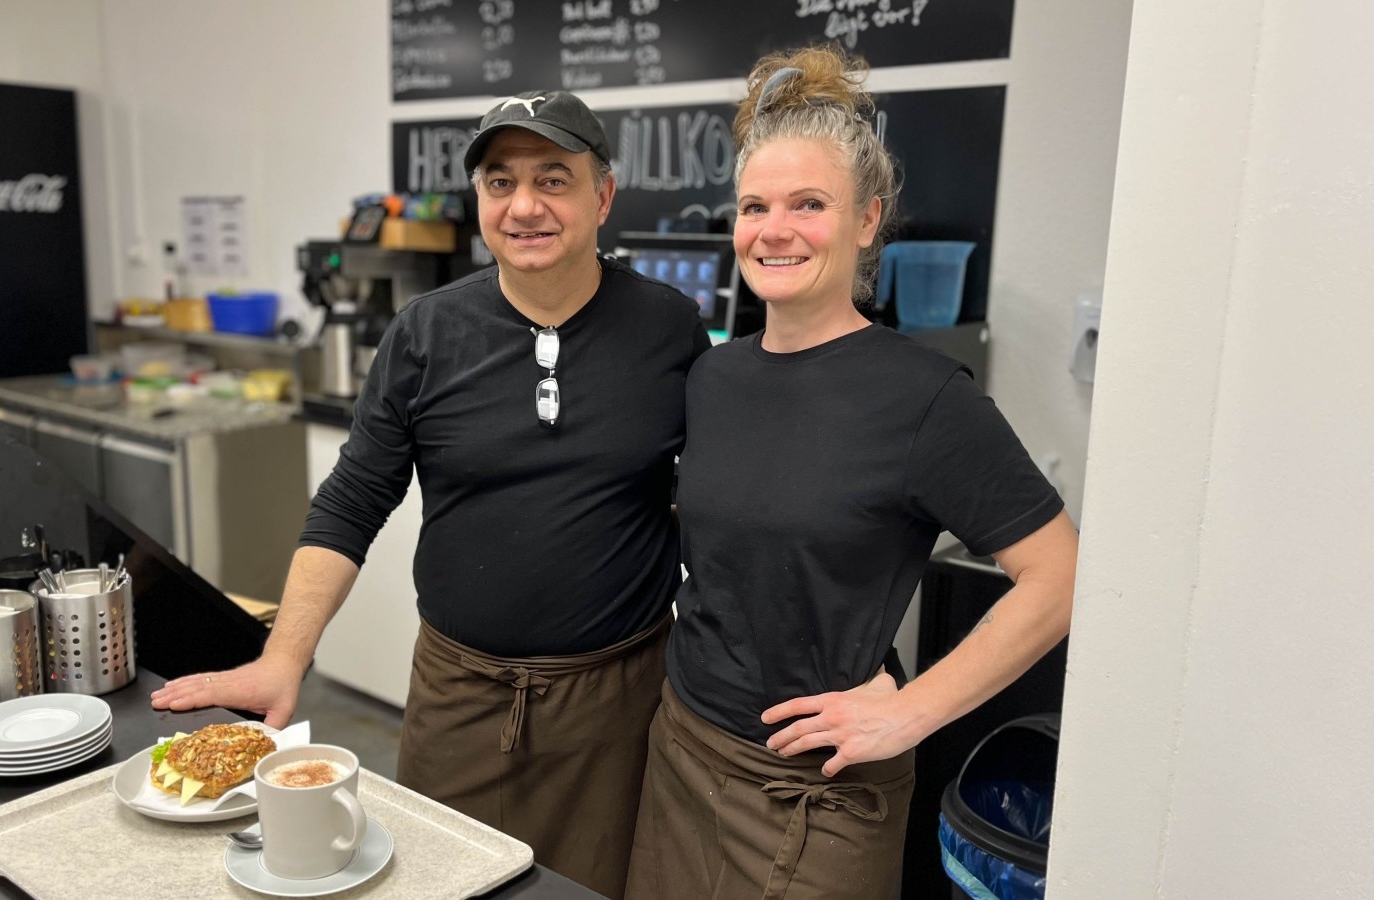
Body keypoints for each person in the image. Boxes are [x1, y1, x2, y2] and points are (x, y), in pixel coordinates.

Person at [152, 90, 710, 898]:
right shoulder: (424, 334)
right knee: (441, 883)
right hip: (460, 698)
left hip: (617, 702)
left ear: (603, 194)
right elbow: (351, 501)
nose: (524, 206)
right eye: (498, 181)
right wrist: (285, 656)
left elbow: (722, 500)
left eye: (553, 179)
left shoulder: (671, 328)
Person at [624, 46, 1080, 900]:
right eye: (755, 206)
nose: (775, 228)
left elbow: (1058, 576)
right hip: (680, 750)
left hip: (816, 793)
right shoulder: (713, 377)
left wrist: (912, 711)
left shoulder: (924, 397)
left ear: (868, 220)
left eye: (809, 204)